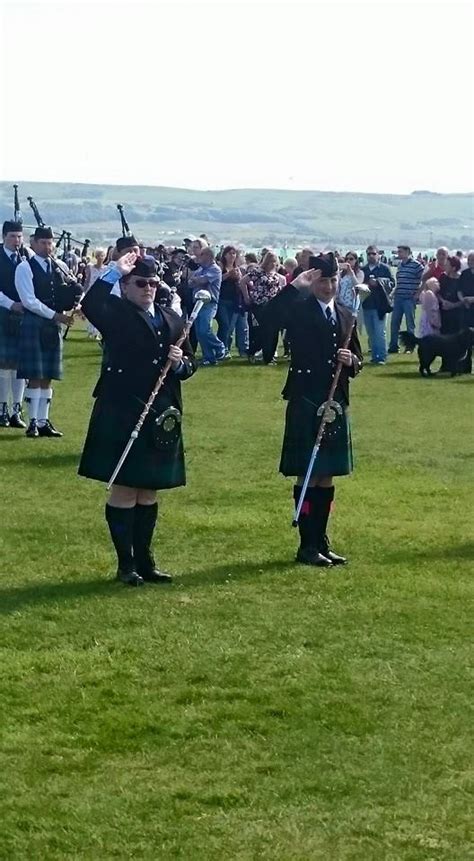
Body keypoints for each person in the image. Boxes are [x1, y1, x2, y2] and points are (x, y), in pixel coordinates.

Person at [78, 253, 197, 586]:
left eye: (153, 283)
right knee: (125, 489)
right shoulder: (116, 314)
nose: (148, 288)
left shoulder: (173, 319)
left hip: (161, 412)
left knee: (148, 491)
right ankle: (125, 565)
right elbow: (90, 303)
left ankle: (146, 561)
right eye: (140, 283)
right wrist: (116, 270)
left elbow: (190, 365)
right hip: (122, 408)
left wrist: (179, 364)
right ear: (127, 287)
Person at [262, 252, 363, 566]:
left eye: (333, 280)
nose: (329, 286)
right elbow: (267, 318)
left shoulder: (347, 314)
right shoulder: (298, 310)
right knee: (310, 474)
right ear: (313, 281)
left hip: (335, 401)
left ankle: (321, 540)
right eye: (323, 280)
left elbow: (358, 359)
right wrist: (294, 286)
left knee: (326, 476)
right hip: (306, 398)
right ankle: (307, 545)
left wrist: (353, 362)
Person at [15, 226, 81, 437]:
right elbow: (29, 301)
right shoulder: (24, 268)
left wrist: (76, 302)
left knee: (48, 375)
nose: (47, 246)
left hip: (52, 326)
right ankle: (32, 421)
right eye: (43, 242)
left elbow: (71, 289)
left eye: (50, 242)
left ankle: (44, 421)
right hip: (34, 323)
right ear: (33, 243)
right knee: (35, 374)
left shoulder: (59, 266)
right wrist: (56, 316)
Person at [0, 220, 28, 428]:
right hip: (2, 314)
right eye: (12, 236)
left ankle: (16, 410)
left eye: (19, 236)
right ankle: (2, 408)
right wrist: (11, 304)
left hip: (22, 317)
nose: (17, 240)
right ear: (3, 237)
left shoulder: (25, 258)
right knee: (3, 365)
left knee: (19, 366)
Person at [239, 251, 286, 363]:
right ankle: (256, 352)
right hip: (259, 304)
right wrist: (246, 297)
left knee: (273, 330)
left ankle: (269, 356)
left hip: (273, 305)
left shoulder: (275, 274)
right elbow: (242, 282)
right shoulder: (257, 272)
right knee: (264, 330)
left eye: (274, 261)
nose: (272, 264)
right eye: (270, 261)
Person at [188, 247, 225, 366]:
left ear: (209, 256)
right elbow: (190, 283)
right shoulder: (201, 269)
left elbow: (202, 281)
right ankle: (209, 357)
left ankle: (220, 347)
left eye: (202, 254)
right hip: (198, 303)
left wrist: (195, 280)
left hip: (209, 304)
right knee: (199, 332)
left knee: (205, 330)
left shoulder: (215, 269)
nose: (199, 256)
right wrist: (195, 280)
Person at [361, 246, 395, 364]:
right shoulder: (363, 269)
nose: (371, 256)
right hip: (366, 304)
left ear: (378, 254)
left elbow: (392, 283)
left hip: (380, 305)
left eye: (373, 254)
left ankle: (381, 357)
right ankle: (375, 356)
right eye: (369, 254)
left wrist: (379, 282)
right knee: (371, 333)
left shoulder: (384, 268)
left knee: (380, 332)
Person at [388, 245, 424, 353]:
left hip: (409, 298)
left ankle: (410, 346)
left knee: (410, 323)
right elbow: (399, 283)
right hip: (398, 297)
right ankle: (393, 346)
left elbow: (424, 279)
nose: (398, 254)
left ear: (408, 252)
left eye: (401, 252)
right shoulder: (400, 265)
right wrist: (393, 293)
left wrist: (418, 293)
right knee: (394, 323)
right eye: (398, 252)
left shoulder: (416, 266)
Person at [216, 245, 248, 358]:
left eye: (234, 253)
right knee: (225, 325)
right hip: (223, 300)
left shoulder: (238, 268)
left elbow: (242, 283)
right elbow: (217, 280)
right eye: (229, 253)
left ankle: (239, 349)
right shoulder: (220, 266)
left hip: (236, 300)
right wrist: (228, 274)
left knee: (238, 326)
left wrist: (239, 278)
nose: (232, 256)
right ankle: (223, 348)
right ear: (224, 255)